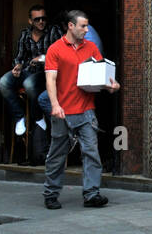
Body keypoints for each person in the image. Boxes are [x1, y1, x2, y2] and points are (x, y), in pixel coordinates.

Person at [42, 10, 120, 209]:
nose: (87, 30)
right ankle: (51, 194)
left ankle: (92, 194)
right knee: (57, 154)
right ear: (70, 26)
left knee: (91, 152)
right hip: (63, 111)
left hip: (86, 111)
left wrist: (111, 86)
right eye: (83, 26)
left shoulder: (91, 47)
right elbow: (50, 79)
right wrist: (55, 105)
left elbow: (100, 76)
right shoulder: (55, 49)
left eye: (87, 26)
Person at [0, 5, 58, 138]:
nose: (41, 22)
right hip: (28, 70)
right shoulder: (25, 34)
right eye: (37, 19)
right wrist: (17, 66)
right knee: (3, 82)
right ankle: (20, 117)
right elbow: (19, 57)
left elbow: (61, 55)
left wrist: (42, 58)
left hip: (46, 73)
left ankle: (37, 116)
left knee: (29, 84)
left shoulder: (54, 31)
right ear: (30, 21)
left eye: (43, 18)